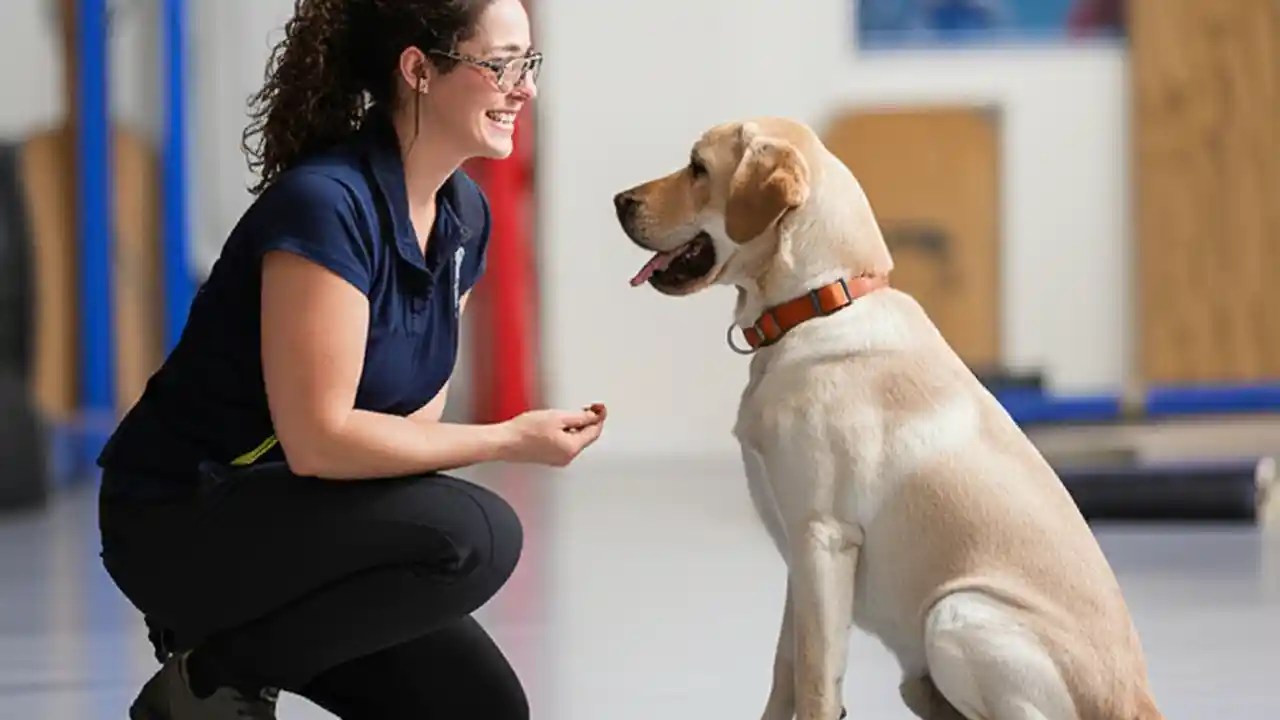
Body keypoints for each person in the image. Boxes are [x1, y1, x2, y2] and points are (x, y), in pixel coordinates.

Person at [96, 0, 606, 717]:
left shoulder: (464, 215)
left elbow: (407, 434)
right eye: (500, 65)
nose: (525, 88)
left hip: (291, 517)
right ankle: (212, 676)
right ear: (418, 71)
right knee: (477, 534)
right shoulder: (326, 204)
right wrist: (507, 438)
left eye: (529, 64)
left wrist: (478, 442)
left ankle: (224, 655)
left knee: (483, 709)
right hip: (180, 521)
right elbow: (319, 440)